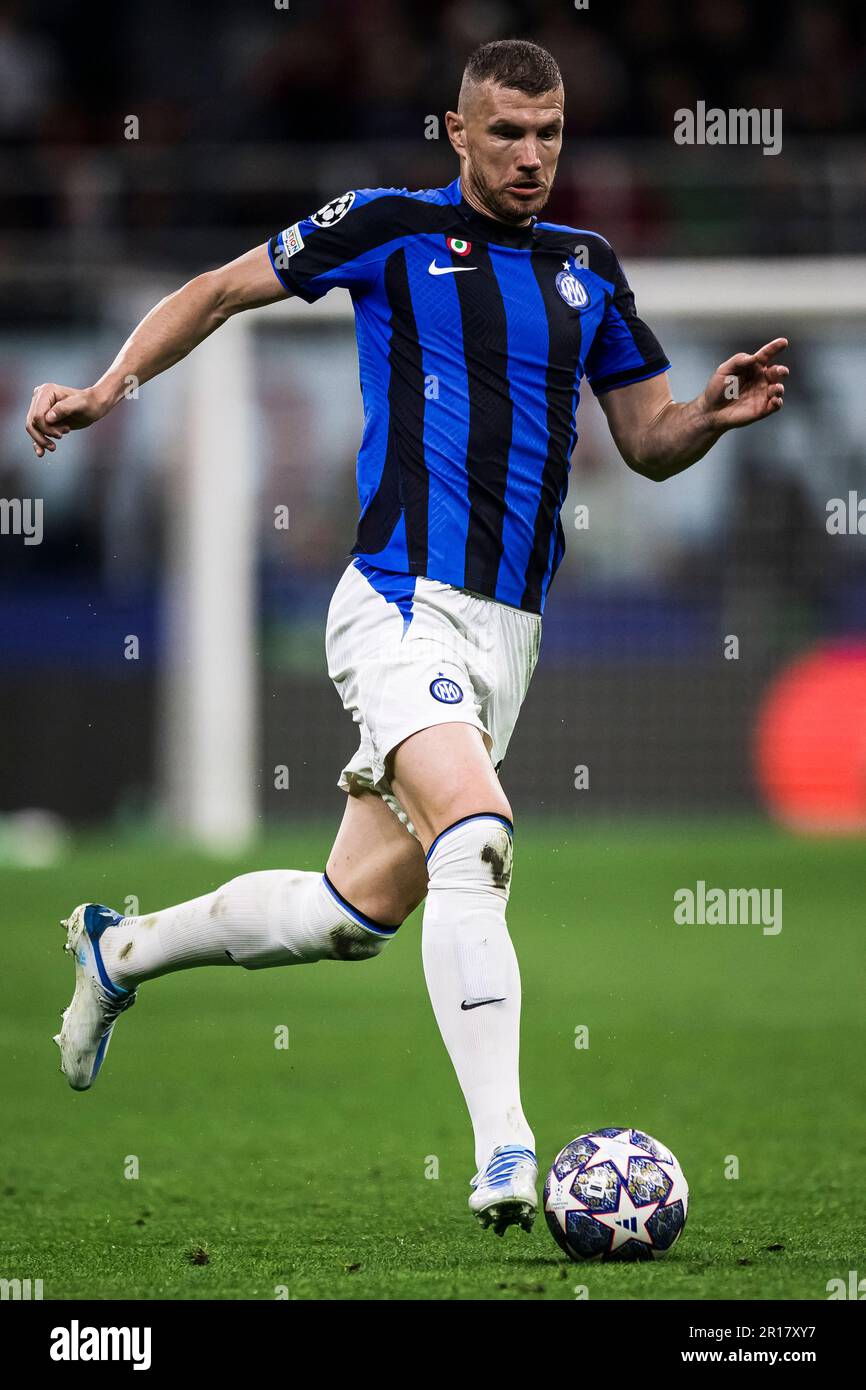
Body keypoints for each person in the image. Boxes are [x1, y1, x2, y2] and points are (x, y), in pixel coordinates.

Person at [25, 38, 788, 1236]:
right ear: (457, 131)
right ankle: (504, 1150)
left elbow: (645, 440)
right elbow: (221, 288)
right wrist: (104, 388)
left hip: (507, 636)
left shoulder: (585, 266)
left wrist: (709, 414)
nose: (530, 156)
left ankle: (120, 951)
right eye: (506, 134)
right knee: (475, 840)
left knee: (348, 915)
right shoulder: (386, 227)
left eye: (548, 134)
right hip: (395, 598)